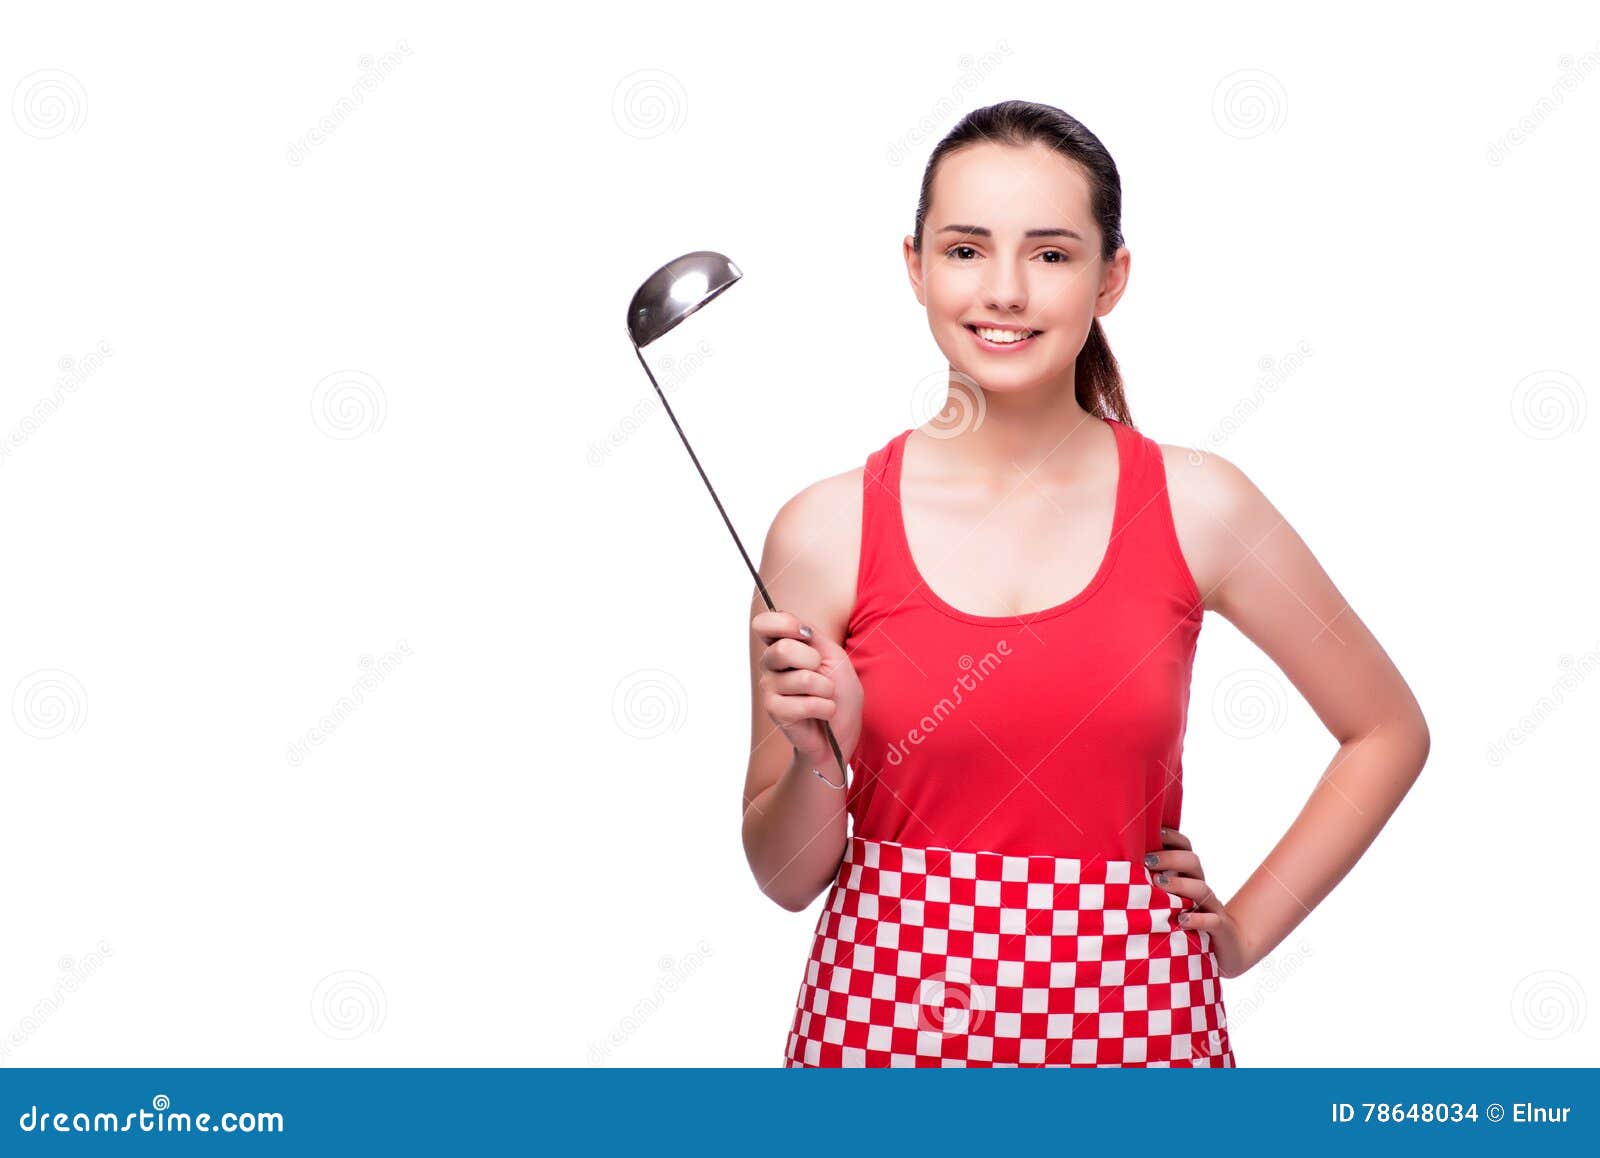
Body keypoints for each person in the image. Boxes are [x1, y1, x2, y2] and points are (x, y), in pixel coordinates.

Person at [740, 100, 1429, 1068]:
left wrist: (1241, 932)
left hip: (1139, 1031)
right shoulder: (821, 530)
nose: (1006, 290)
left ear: (1111, 278)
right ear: (915, 267)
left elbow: (1386, 730)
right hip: (882, 1033)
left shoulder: (1201, 505)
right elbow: (783, 878)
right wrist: (823, 756)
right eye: (967, 249)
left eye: (1052, 255)